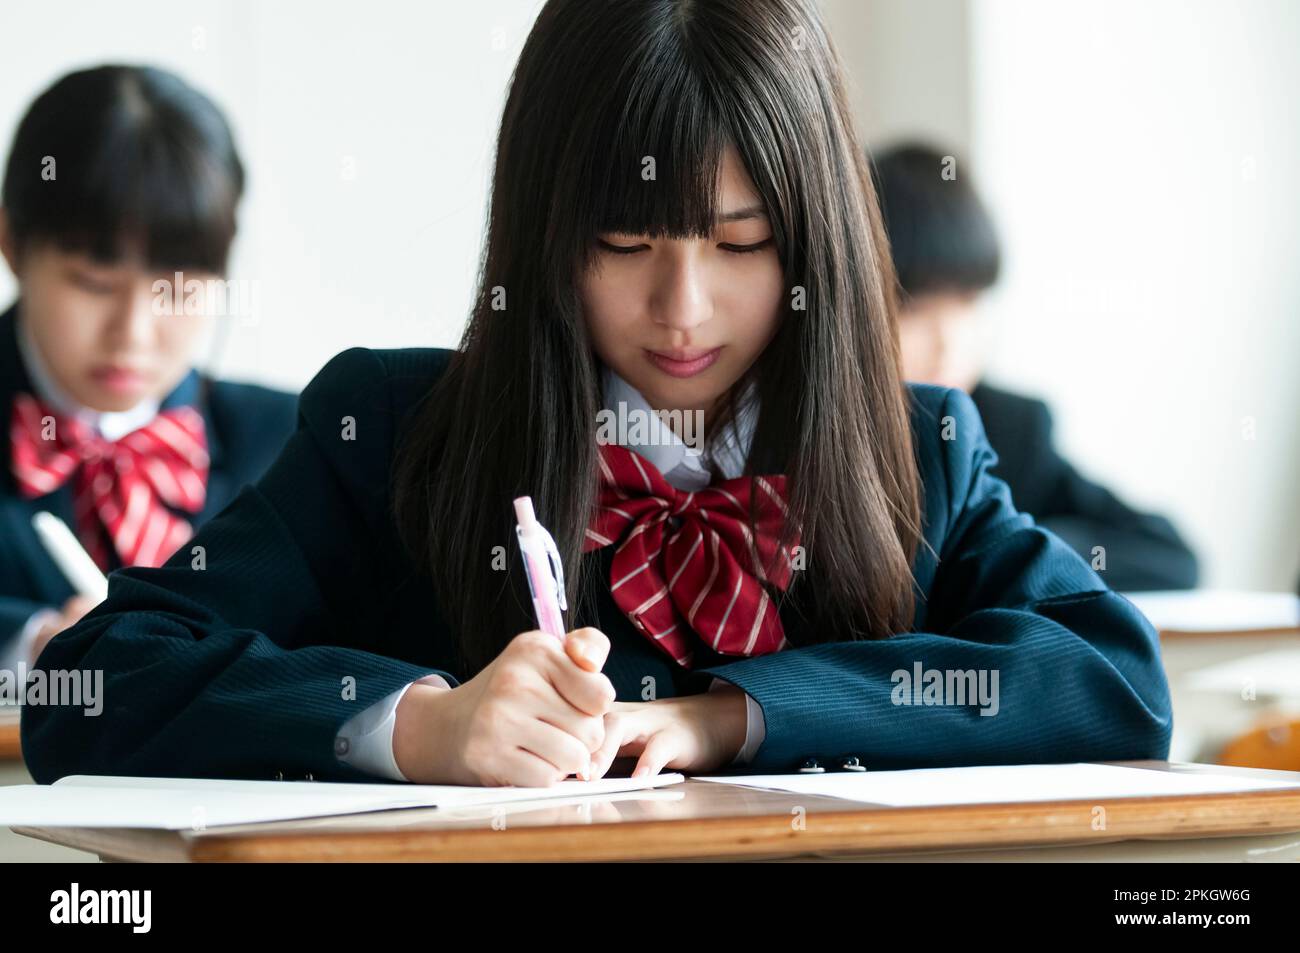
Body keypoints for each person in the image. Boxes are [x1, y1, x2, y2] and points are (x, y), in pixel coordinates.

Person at [23, 0, 1171, 787]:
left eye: (741, 243)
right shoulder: (393, 431)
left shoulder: (919, 445)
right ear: (543, 236)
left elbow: (1111, 678)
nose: (681, 309)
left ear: (815, 242)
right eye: (624, 241)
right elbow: (93, 681)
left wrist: (731, 716)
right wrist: (420, 725)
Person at [0, 65, 296, 674]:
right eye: (93, 284)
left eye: (179, 290)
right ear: (11, 243)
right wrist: (30, 646)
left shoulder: (292, 441)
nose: (133, 334)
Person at [872, 141, 1199, 591]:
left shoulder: (1009, 426)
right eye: (913, 306)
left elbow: (1171, 557)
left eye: (966, 301)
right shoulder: (818, 433)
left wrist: (1017, 547)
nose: (948, 340)